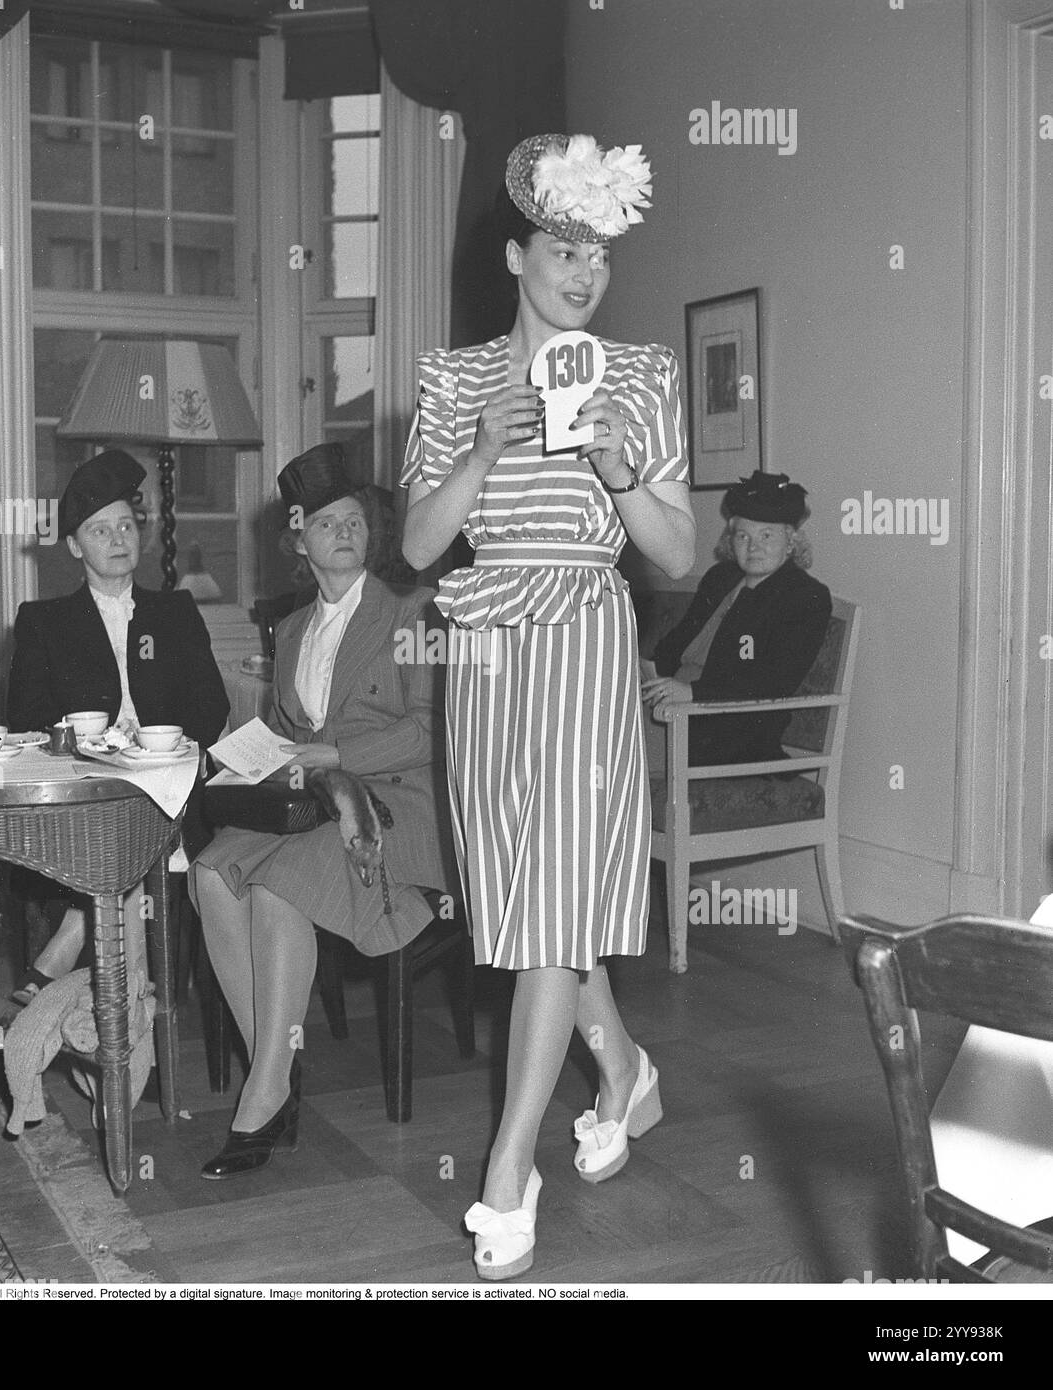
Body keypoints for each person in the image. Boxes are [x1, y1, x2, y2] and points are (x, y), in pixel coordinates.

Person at [401, 132, 696, 1279]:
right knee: (525, 901)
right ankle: (621, 1070)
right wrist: (478, 454)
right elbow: (420, 543)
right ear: (518, 252)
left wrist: (623, 475)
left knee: (552, 912)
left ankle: (505, 1171)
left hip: (581, 637)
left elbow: (674, 554)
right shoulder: (452, 376)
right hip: (482, 654)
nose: (583, 274)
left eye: (601, 257)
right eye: (565, 250)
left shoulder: (642, 377)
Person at [191, 443, 457, 1179]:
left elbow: (433, 729)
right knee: (210, 875)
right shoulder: (290, 628)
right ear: (298, 540)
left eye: (355, 521)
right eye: (327, 523)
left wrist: (332, 758)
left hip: (400, 805)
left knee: (280, 889)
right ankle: (275, 1065)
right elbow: (287, 730)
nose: (345, 532)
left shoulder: (415, 609)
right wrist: (253, 752)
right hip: (313, 802)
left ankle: (263, 1093)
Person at [6, 449, 229, 996]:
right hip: (85, 795)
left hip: (170, 787)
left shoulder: (174, 613)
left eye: (126, 525)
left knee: (139, 808)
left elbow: (211, 705)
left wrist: (165, 743)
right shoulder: (44, 623)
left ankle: (72, 944)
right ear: (75, 546)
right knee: (124, 819)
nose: (118, 539)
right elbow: (26, 723)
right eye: (99, 530)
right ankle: (134, 1025)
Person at [642, 471, 832, 766]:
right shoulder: (721, 579)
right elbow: (676, 644)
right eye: (743, 536)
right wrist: (645, 670)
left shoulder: (805, 597)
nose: (752, 546)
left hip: (733, 730)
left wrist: (691, 693)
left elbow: (774, 682)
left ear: (791, 542)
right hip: (675, 709)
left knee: (616, 748)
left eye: (766, 535)